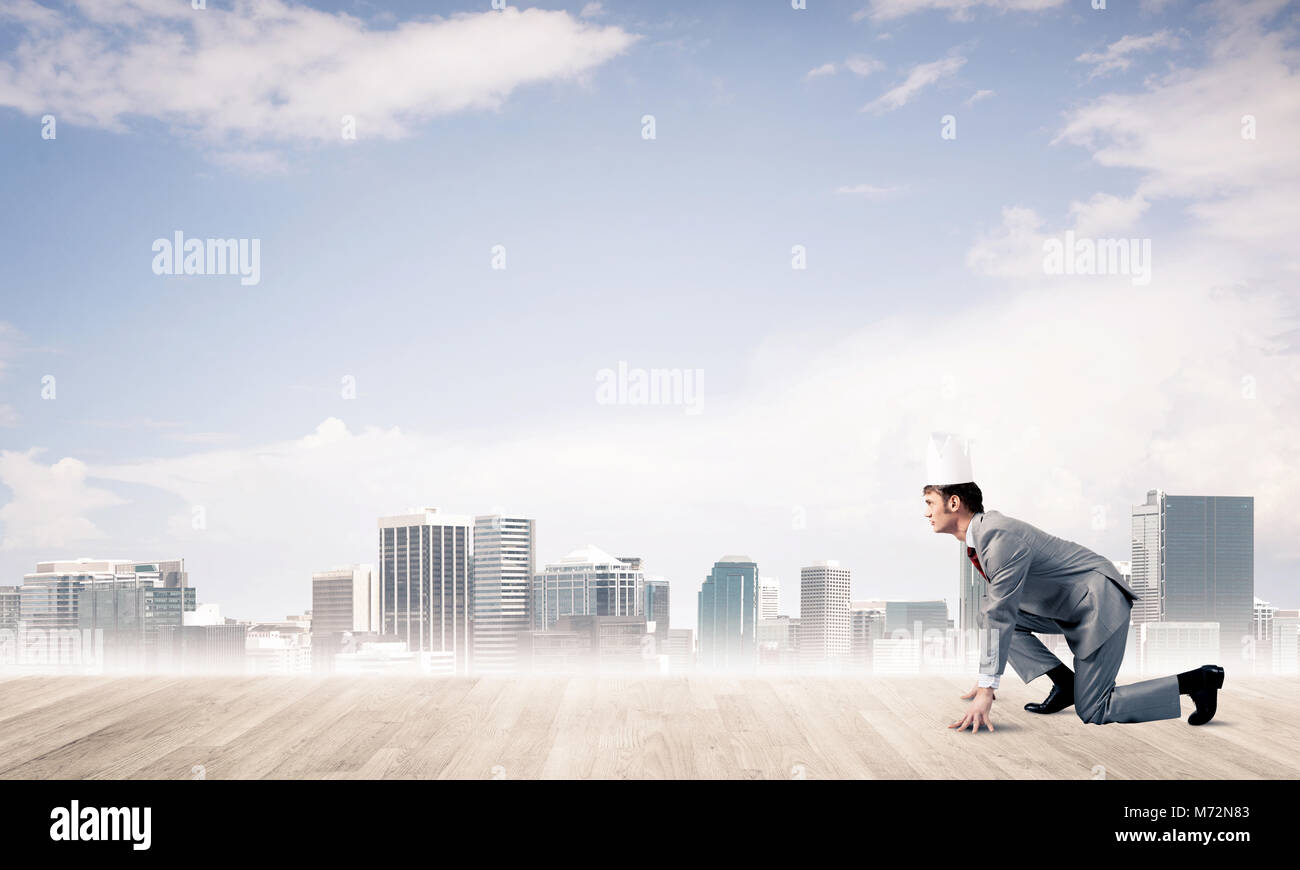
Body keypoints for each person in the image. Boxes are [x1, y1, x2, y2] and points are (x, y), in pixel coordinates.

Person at [923, 432, 1224, 734]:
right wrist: (987, 674)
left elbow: (1001, 613)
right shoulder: (983, 537)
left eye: (929, 503)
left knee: (1095, 708)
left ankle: (1198, 682)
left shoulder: (998, 538)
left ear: (953, 502)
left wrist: (987, 687)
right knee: (986, 615)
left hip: (1098, 603)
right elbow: (996, 614)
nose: (926, 513)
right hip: (1067, 605)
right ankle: (1065, 683)